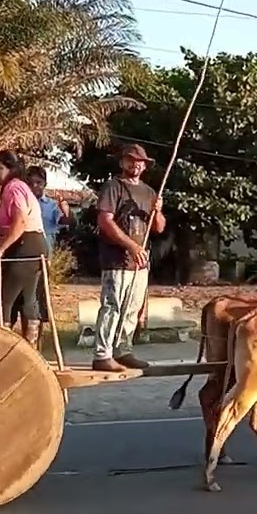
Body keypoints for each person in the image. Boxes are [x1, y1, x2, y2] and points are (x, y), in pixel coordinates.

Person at [91, 143, 165, 373]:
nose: (136, 164)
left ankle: (123, 350)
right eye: (131, 160)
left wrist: (157, 210)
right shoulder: (113, 187)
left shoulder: (149, 192)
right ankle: (103, 354)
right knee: (112, 305)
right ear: (123, 162)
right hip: (117, 259)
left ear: (145, 165)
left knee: (132, 308)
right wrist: (131, 245)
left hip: (140, 262)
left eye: (140, 161)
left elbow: (159, 228)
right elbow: (105, 221)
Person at [0, 149, 47, 347]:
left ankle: (1, 350)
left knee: (4, 300)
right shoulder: (15, 188)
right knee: (25, 300)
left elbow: (19, 222)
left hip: (24, 245)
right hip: (31, 245)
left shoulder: (14, 188)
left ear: (11, 169)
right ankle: (29, 350)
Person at [9, 164, 71, 326]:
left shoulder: (50, 205)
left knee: (36, 301)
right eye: (31, 183)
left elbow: (67, 221)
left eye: (38, 183)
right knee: (17, 300)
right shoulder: (20, 201)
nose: (34, 186)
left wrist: (66, 211)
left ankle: (35, 343)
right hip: (20, 255)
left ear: (44, 184)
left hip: (41, 259)